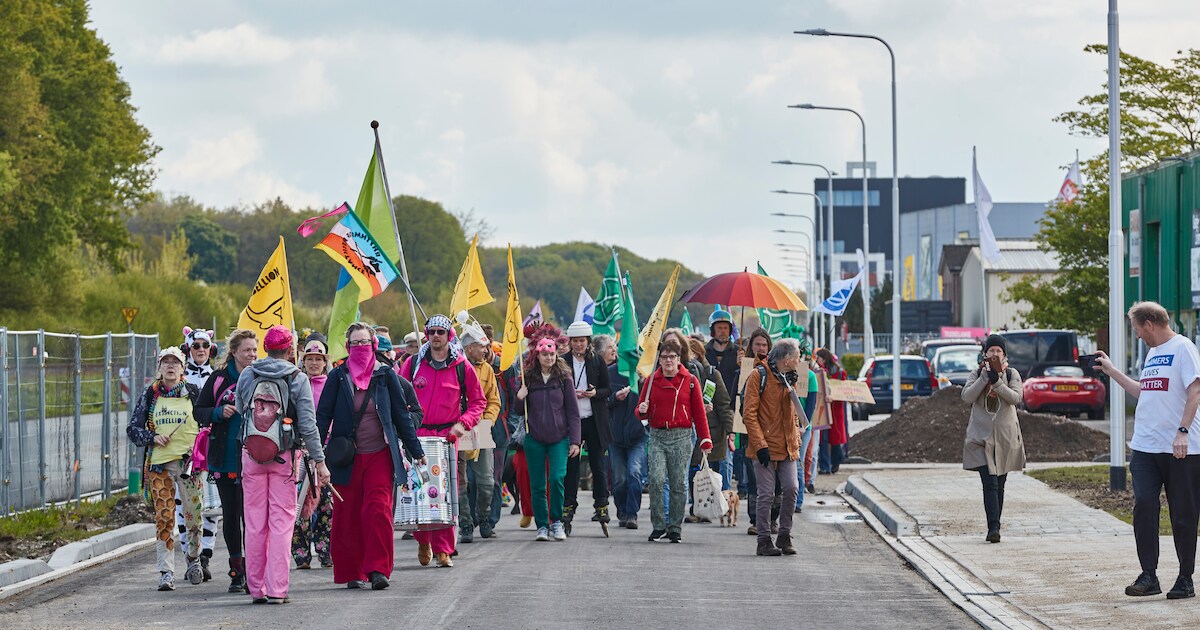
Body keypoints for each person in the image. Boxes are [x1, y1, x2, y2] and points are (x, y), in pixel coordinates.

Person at [1096, 302, 1200, 600]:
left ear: (1150, 322)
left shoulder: (1184, 348)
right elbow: (1145, 390)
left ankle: (1185, 578)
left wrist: (1182, 432)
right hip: (1145, 447)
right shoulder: (1153, 353)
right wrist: (1112, 371)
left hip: (1181, 449)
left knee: (1183, 514)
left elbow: (1195, 391)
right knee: (1144, 507)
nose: (1138, 336)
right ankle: (1149, 575)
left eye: (1138, 330)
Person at [317, 322, 426, 589]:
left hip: (380, 454)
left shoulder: (385, 375)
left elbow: (402, 415)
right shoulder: (337, 376)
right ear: (347, 346)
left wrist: (416, 451)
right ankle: (352, 571)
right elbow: (322, 417)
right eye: (355, 343)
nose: (360, 348)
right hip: (347, 458)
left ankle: (378, 569)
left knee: (377, 510)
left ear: (374, 345)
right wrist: (315, 454)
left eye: (365, 343)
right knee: (348, 513)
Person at [235, 325, 330, 604]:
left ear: (265, 348)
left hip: (251, 456)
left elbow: (242, 411)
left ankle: (255, 589)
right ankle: (276, 589)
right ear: (290, 350)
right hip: (285, 457)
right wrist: (320, 461)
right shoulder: (297, 378)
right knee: (281, 523)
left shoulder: (248, 374)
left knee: (254, 524)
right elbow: (309, 425)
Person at [399, 315, 487, 568]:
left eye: (441, 331)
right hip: (416, 436)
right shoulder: (413, 364)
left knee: (446, 494)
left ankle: (444, 549)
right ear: (426, 335)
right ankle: (423, 540)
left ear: (449, 335)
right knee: (419, 492)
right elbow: (397, 393)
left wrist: (463, 424)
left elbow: (478, 401)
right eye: (432, 331)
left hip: (447, 438)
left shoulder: (462, 366)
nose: (436, 336)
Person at [127, 347, 204, 591]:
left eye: (176, 362)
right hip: (160, 465)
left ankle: (193, 559)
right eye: (166, 362)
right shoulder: (150, 395)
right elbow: (132, 430)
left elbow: (206, 423)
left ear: (183, 368)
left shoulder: (193, 393)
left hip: (189, 464)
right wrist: (152, 436)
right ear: (159, 368)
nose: (171, 366)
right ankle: (166, 571)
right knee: (164, 518)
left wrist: (201, 448)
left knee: (194, 515)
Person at [194, 329, 256, 593]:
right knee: (231, 516)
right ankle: (236, 571)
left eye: (255, 350)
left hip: (256, 458)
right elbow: (199, 411)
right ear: (234, 352)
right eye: (247, 350)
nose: (252, 355)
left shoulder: (261, 376)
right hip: (225, 457)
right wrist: (219, 412)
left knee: (252, 517)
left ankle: (255, 570)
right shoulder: (219, 379)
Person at [638, 338, 712, 543]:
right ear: (659, 359)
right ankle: (658, 525)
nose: (668, 360)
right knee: (656, 480)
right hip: (658, 436)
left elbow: (699, 413)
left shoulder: (689, 380)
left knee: (679, 482)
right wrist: (641, 410)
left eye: (672, 357)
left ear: (679, 359)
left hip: (682, 436)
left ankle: (675, 527)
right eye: (664, 357)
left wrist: (705, 438)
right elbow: (640, 412)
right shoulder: (651, 380)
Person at [960, 334, 1025, 545]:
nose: (994, 354)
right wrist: (984, 379)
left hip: (1005, 438)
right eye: (991, 351)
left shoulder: (1013, 374)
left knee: (1000, 483)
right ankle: (993, 528)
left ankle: (995, 524)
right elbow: (966, 397)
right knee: (989, 483)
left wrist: (998, 383)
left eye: (998, 351)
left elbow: (1016, 398)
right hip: (981, 438)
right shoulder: (977, 373)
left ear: (1004, 354)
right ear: (984, 354)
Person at [742, 339, 805, 557]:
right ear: (787, 359)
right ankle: (764, 540)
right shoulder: (758, 376)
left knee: (791, 488)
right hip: (765, 447)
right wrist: (760, 445)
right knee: (766, 494)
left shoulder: (790, 377)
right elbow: (748, 414)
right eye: (797, 357)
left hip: (788, 446)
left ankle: (785, 535)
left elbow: (793, 413)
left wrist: (797, 434)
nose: (800, 360)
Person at [516, 337, 582, 541]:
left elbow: (573, 412)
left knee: (556, 478)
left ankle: (557, 522)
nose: (549, 357)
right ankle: (542, 526)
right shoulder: (528, 378)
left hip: (559, 438)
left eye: (552, 354)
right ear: (537, 355)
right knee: (537, 484)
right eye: (545, 354)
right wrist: (520, 397)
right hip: (534, 438)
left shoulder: (564, 378)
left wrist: (575, 441)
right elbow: (520, 412)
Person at [562, 321, 613, 534]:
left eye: (582, 341)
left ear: (588, 342)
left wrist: (594, 394)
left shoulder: (596, 361)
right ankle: (568, 506)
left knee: (597, 465)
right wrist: (569, 394)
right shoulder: (562, 361)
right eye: (575, 341)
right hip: (573, 421)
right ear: (571, 342)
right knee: (571, 468)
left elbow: (607, 389)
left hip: (594, 419)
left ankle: (601, 504)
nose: (579, 345)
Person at [177, 326, 218, 582]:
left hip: (212, 448)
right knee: (185, 508)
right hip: (186, 450)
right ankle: (190, 558)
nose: (201, 350)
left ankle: (205, 556)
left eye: (205, 346)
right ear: (188, 349)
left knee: (212, 506)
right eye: (196, 346)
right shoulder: (180, 380)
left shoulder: (217, 377)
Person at [292, 335, 335, 570]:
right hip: (300, 450)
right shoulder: (295, 383)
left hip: (325, 450)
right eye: (310, 358)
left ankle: (325, 550)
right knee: (300, 503)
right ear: (303, 360)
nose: (314, 363)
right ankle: (301, 554)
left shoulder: (331, 384)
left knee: (326, 504)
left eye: (319, 359)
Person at [459, 326, 501, 542]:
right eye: (482, 347)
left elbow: (494, 401)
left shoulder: (487, 370)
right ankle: (465, 524)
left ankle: (483, 518)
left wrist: (486, 422)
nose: (486, 351)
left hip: (482, 429)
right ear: (469, 347)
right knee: (461, 482)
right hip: (458, 430)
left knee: (486, 481)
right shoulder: (454, 366)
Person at [606, 336, 645, 529]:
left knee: (635, 473)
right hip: (615, 437)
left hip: (638, 435)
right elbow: (601, 403)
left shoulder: (644, 376)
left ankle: (632, 513)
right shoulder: (609, 373)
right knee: (619, 478)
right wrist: (614, 398)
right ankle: (621, 508)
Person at [687, 337, 734, 498]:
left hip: (711, 432)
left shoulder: (712, 375)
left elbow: (724, 404)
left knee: (710, 471)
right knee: (694, 471)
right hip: (689, 431)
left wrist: (731, 431)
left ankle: (716, 502)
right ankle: (696, 506)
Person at [741, 328, 775, 536]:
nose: (760, 348)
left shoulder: (775, 371)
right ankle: (755, 519)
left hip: (773, 434)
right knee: (754, 478)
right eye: (757, 345)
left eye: (764, 345)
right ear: (750, 347)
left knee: (775, 480)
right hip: (749, 433)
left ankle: (773, 518)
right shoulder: (744, 370)